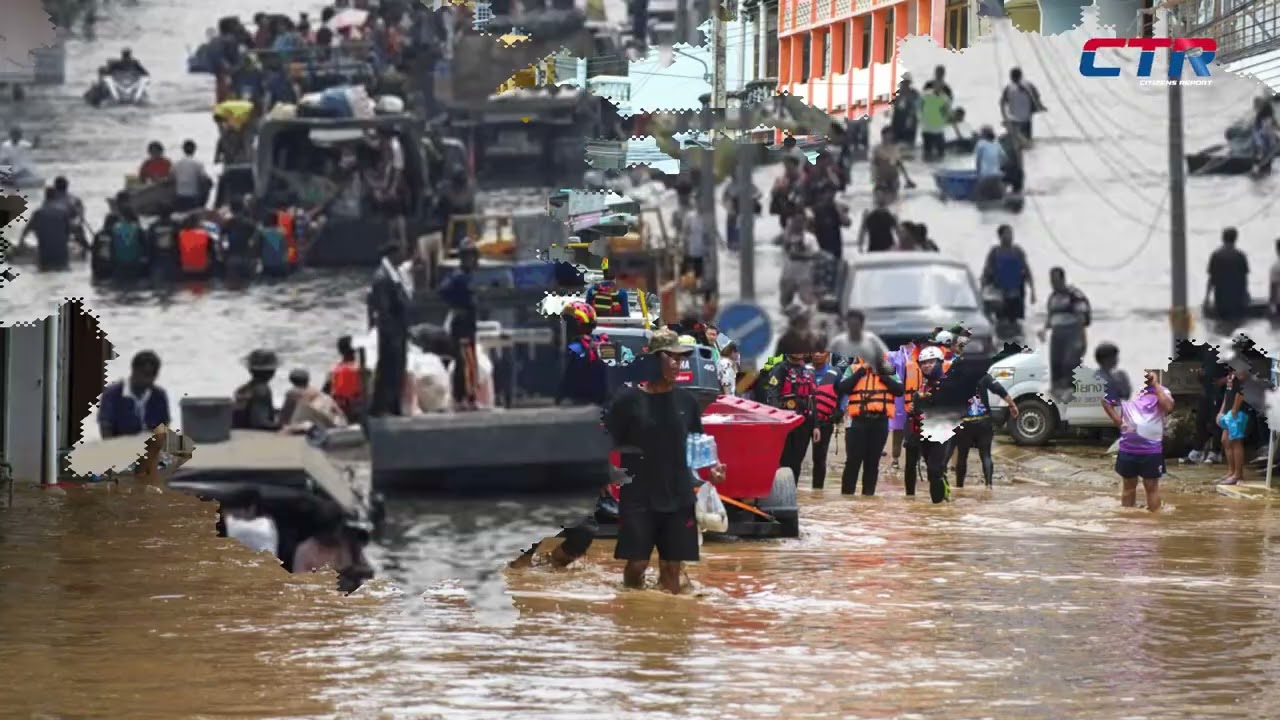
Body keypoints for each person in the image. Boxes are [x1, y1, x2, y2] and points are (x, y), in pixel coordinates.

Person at [605, 329, 725, 594]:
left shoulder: (687, 402)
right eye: (669, 357)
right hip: (638, 495)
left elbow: (698, 447)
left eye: (680, 358)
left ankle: (669, 629)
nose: (676, 363)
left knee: (672, 569)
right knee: (637, 563)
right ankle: (632, 612)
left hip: (678, 495)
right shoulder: (628, 401)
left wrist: (713, 470)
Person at [835, 344, 903, 495]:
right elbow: (843, 387)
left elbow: (899, 390)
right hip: (857, 421)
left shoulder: (888, 369)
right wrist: (862, 369)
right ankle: (847, 498)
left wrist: (880, 375)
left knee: (872, 463)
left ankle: (868, 498)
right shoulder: (852, 369)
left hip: (880, 421)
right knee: (853, 461)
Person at [1102, 371, 1174, 510]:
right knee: (1128, 487)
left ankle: (1154, 521)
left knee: (1151, 488)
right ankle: (1128, 521)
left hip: (1152, 451)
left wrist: (1156, 385)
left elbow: (1168, 407)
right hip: (1127, 449)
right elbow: (1105, 401)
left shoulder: (1161, 391)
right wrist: (1117, 420)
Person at [762, 334, 820, 484]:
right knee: (783, 461)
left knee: (797, 462)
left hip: (804, 423)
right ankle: (781, 493)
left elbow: (813, 399)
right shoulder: (779, 369)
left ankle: (792, 493)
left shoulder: (808, 371)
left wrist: (816, 426)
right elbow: (773, 396)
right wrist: (777, 422)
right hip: (786, 424)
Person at [953, 371, 1018, 488]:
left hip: (964, 423)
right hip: (983, 422)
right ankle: (989, 486)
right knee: (986, 455)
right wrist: (1012, 404)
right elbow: (999, 389)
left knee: (962, 455)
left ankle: (959, 487)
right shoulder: (983, 375)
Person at [370, 242, 414, 416]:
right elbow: (384, 308)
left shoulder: (394, 275)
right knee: (389, 369)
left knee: (397, 370)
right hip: (391, 333)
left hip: (398, 330)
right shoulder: (383, 277)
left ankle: (394, 405)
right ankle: (383, 407)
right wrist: (392, 333)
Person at [907, 346, 952, 503]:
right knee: (932, 471)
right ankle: (940, 498)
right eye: (924, 363)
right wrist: (913, 409)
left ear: (939, 363)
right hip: (924, 433)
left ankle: (937, 506)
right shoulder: (922, 388)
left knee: (934, 469)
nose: (927, 366)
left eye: (931, 362)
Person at [439, 239, 480, 410]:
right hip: (461, 325)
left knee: (469, 362)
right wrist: (457, 306)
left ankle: (467, 396)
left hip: (469, 324)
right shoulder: (458, 276)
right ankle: (464, 397)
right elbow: (442, 291)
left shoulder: (468, 275)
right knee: (465, 363)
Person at [1039, 267, 1091, 401]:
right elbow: (1051, 317)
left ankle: (1076, 395)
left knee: (1070, 365)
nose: (1054, 284)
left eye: (1056, 281)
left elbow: (1082, 318)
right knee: (1056, 367)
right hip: (1057, 335)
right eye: (1052, 281)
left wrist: (1080, 340)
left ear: (1063, 279)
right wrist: (1044, 330)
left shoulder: (1074, 295)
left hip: (1072, 334)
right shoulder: (1053, 297)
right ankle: (1057, 397)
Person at [98, 351, 171, 438]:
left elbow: (163, 428)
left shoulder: (159, 395)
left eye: (153, 374)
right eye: (145, 374)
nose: (149, 379)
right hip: (120, 446)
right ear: (134, 370)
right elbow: (106, 432)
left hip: (151, 447)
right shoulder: (112, 395)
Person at [981, 224, 1035, 329]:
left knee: (1016, 323)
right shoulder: (995, 252)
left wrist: (1033, 291)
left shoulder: (1018, 251)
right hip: (1000, 295)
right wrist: (983, 292)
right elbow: (986, 272)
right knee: (1002, 322)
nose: (1010, 236)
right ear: (1000, 236)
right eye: (1007, 234)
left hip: (1016, 294)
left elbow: (1027, 270)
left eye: (1011, 233)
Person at [810, 340, 847, 489]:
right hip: (804, 421)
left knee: (819, 459)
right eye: (815, 351)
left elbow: (843, 394)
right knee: (795, 458)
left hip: (825, 421)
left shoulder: (836, 373)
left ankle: (817, 491)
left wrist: (840, 411)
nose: (818, 354)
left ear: (828, 354)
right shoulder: (803, 371)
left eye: (822, 351)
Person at [557, 302, 610, 406]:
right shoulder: (603, 342)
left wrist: (560, 397)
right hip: (600, 400)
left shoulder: (576, 347)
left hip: (579, 401)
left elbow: (568, 377)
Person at [20, 187, 83, 272]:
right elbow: (73, 231)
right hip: (62, 258)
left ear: (45, 197)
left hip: (45, 258)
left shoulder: (38, 213)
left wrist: (21, 245)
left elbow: (25, 232)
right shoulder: (63, 213)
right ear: (56, 197)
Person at [1205, 227, 1250, 325]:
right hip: (1237, 299)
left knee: (1222, 326)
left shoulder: (1216, 255)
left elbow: (1211, 279)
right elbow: (1244, 279)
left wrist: (1207, 298)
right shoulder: (1241, 256)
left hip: (1221, 299)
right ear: (1236, 238)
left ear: (1222, 238)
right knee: (1237, 327)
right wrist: (1246, 296)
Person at [777, 211, 821, 309]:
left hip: (804, 276)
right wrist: (787, 231)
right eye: (795, 221)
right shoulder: (785, 236)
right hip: (788, 275)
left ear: (805, 222)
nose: (798, 223)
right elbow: (778, 244)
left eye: (801, 221)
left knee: (807, 302)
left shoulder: (810, 238)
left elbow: (816, 255)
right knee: (784, 304)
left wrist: (800, 255)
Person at [220, 487, 280, 556]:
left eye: (236, 515)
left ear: (251, 508)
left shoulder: (262, 527)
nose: (234, 517)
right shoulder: (270, 523)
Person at [1217, 368, 1251, 486]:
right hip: (1229, 411)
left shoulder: (1242, 369)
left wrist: (1235, 410)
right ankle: (1231, 471)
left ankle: (1238, 474)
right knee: (1225, 441)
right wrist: (1221, 411)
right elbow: (1228, 393)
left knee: (1235, 442)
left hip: (1238, 411)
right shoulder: (1231, 373)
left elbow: (1242, 391)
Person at [232, 349, 281, 430]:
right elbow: (260, 423)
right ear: (272, 372)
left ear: (250, 370)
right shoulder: (262, 391)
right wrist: (283, 426)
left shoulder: (244, 388)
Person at [324, 335, 366, 421]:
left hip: (341, 411)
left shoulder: (333, 371)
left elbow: (325, 393)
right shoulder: (362, 369)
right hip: (361, 409)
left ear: (339, 351)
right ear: (356, 350)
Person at [999, 67, 1044, 142]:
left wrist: (1005, 117)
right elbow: (1036, 97)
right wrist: (1040, 107)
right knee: (1027, 141)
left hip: (1013, 119)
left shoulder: (1008, 88)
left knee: (1015, 141)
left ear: (1011, 77)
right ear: (1021, 76)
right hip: (1026, 118)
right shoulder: (1029, 85)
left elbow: (1002, 103)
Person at [870, 126, 907, 205]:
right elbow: (873, 165)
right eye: (887, 135)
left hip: (893, 177)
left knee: (893, 200)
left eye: (890, 135)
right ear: (882, 136)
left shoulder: (895, 149)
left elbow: (900, 164)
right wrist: (873, 178)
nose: (888, 137)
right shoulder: (877, 149)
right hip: (881, 177)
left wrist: (907, 179)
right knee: (879, 200)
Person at [172, 140, 211, 212]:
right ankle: (202, 207)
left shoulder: (176, 164)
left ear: (183, 150)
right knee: (209, 182)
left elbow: (171, 179)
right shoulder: (198, 163)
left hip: (179, 196)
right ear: (194, 149)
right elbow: (204, 179)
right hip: (193, 197)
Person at [769, 155, 806, 231]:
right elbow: (773, 193)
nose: (788, 168)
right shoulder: (782, 179)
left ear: (795, 165)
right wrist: (779, 188)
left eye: (789, 165)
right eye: (786, 165)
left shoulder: (803, 178)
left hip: (800, 212)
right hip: (786, 212)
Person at [919, 79, 951, 162]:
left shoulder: (945, 98)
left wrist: (944, 119)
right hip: (927, 129)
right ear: (934, 86)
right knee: (927, 151)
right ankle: (926, 168)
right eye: (937, 86)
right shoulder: (926, 95)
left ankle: (939, 166)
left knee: (941, 153)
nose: (938, 88)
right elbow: (919, 106)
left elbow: (947, 112)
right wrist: (920, 117)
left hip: (938, 130)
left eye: (940, 86)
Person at [973, 126, 1007, 202]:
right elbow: (1004, 158)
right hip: (997, 176)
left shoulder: (981, 144)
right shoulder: (997, 144)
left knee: (978, 196)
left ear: (984, 135)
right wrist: (999, 167)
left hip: (985, 176)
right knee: (1000, 197)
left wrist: (978, 173)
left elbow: (978, 160)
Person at [891, 74, 921, 148]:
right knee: (896, 145)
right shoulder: (896, 94)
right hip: (897, 124)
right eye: (903, 83)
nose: (904, 85)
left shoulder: (914, 94)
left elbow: (918, 107)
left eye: (906, 83)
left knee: (909, 144)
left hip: (910, 124)